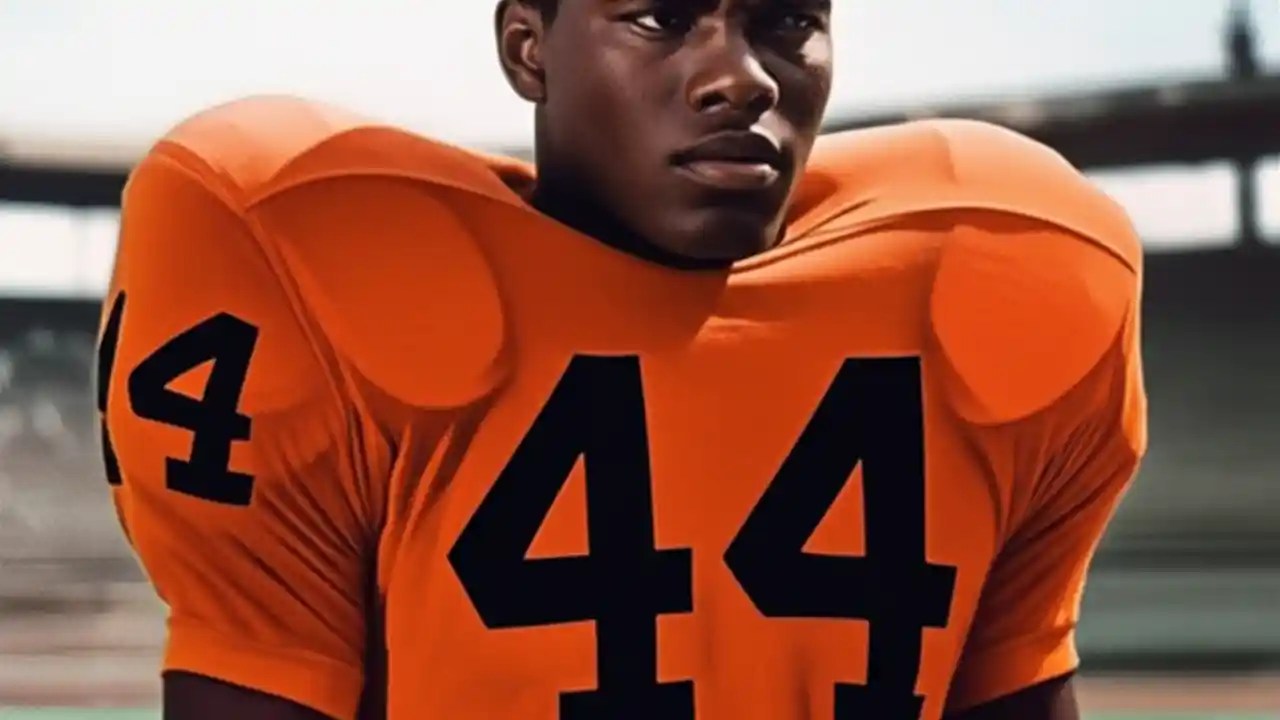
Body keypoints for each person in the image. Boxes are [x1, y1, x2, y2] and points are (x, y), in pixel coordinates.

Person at [96, 1, 1147, 719]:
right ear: (527, 47)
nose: (738, 78)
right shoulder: (303, 255)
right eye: (658, 17)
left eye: (788, 21)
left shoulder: (1002, 268)